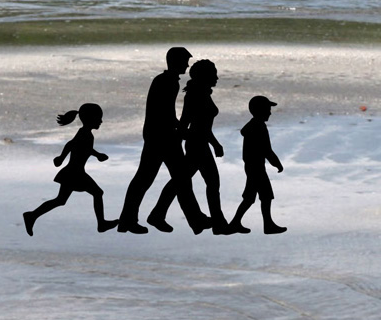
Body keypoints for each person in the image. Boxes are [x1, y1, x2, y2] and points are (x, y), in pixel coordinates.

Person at [115, 46, 205, 235]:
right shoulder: (168, 82)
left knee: (149, 179)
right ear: (176, 62)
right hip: (162, 137)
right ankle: (192, 220)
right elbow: (165, 112)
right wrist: (181, 131)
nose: (187, 65)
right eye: (184, 61)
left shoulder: (166, 80)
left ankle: (129, 220)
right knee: (174, 179)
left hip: (158, 135)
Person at [149, 58, 232, 234]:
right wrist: (214, 144)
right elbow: (188, 122)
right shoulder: (195, 95)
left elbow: (200, 126)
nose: (217, 77)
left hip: (199, 143)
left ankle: (158, 214)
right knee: (208, 183)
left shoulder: (201, 92)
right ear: (205, 76)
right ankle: (218, 223)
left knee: (182, 181)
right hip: (197, 145)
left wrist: (213, 143)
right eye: (213, 74)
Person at [23, 104, 114, 235]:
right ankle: (101, 224)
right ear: (90, 119)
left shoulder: (86, 134)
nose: (101, 121)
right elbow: (71, 144)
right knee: (97, 193)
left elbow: (82, 148)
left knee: (60, 200)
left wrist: (97, 155)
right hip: (75, 173)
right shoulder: (85, 133)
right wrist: (61, 158)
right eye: (98, 118)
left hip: (73, 172)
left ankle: (32, 216)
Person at [227, 95, 286, 235]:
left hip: (252, 166)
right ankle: (267, 225)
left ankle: (236, 223)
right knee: (265, 196)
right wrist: (277, 164)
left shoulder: (253, 126)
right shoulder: (259, 127)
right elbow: (267, 149)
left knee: (251, 198)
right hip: (256, 168)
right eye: (268, 109)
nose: (270, 112)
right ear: (260, 110)